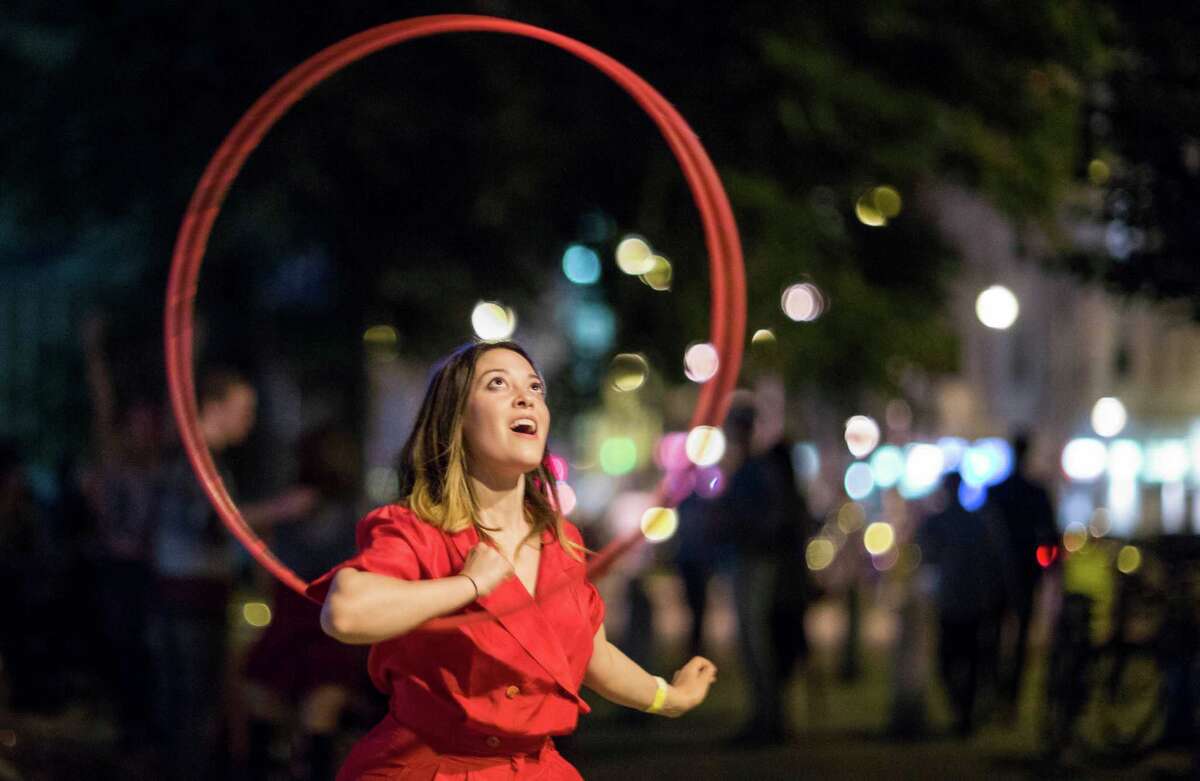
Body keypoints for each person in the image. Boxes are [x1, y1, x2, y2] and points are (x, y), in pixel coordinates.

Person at [313, 342, 717, 779]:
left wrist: (667, 697)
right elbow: (345, 613)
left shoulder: (562, 543)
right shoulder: (415, 528)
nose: (526, 397)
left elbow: (591, 653)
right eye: (497, 384)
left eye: (535, 387)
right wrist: (467, 585)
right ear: (456, 419)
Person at [149, 368, 315, 781]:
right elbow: (210, 521)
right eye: (243, 409)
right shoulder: (197, 462)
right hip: (189, 598)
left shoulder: (200, 458)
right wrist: (279, 510)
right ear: (214, 408)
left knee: (192, 708)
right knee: (192, 710)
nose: (249, 420)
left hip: (190, 595)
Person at [916, 472, 1008, 736]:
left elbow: (926, 552)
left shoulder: (961, 521)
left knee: (955, 660)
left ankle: (963, 713)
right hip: (964, 601)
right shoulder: (973, 521)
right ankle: (964, 711)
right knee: (963, 661)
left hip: (961, 601)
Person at [985, 432, 1056, 718]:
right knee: (1018, 637)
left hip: (1004, 574)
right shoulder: (1035, 492)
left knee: (995, 634)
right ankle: (1009, 696)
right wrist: (1049, 569)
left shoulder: (997, 491)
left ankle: (1001, 694)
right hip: (1023, 573)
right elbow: (1049, 535)